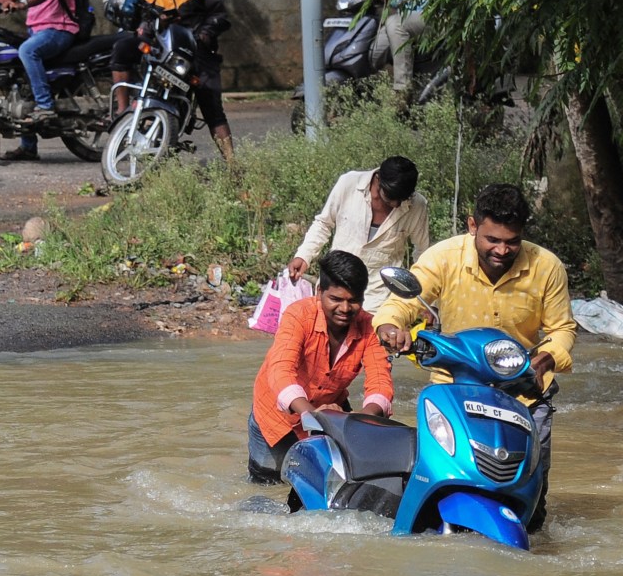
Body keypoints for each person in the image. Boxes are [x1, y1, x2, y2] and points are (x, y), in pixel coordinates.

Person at [373, 183, 577, 531]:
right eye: (492, 240)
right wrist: (390, 327)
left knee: (532, 508)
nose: (502, 249)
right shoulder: (444, 257)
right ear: (472, 226)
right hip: (454, 393)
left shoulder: (547, 267)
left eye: (511, 241)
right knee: (437, 481)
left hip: (524, 395)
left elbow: (563, 330)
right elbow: (401, 304)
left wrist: (543, 361)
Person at [247, 250, 395, 485]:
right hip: (276, 418)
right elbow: (280, 371)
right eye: (336, 299)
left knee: (329, 487)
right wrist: (312, 414)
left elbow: (380, 380)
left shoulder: (369, 327)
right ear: (319, 293)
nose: (345, 309)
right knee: (267, 487)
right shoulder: (298, 315)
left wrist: (363, 419)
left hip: (330, 417)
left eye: (353, 300)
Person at [287, 156, 429, 313]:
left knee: (371, 336)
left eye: (402, 200)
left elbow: (423, 252)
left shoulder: (417, 205)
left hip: (378, 296)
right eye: (390, 199)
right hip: (335, 287)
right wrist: (303, 256)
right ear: (378, 179)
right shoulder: (349, 184)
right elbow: (323, 224)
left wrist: (426, 299)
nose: (396, 205)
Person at [109, 0, 235, 162]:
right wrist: (144, 28)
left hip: (195, 43)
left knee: (211, 103)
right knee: (122, 48)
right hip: (160, 37)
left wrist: (203, 36)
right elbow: (140, 11)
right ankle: (121, 112)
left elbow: (219, 15)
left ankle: (233, 165)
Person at [0, 0, 81, 162]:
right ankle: (28, 147)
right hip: (36, 31)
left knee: (27, 51)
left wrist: (23, 4)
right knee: (19, 75)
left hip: (58, 28)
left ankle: (45, 105)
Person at [369, 0, 427, 94]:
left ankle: (402, 90)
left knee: (396, 25)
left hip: (429, 13)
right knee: (375, 52)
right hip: (401, 14)